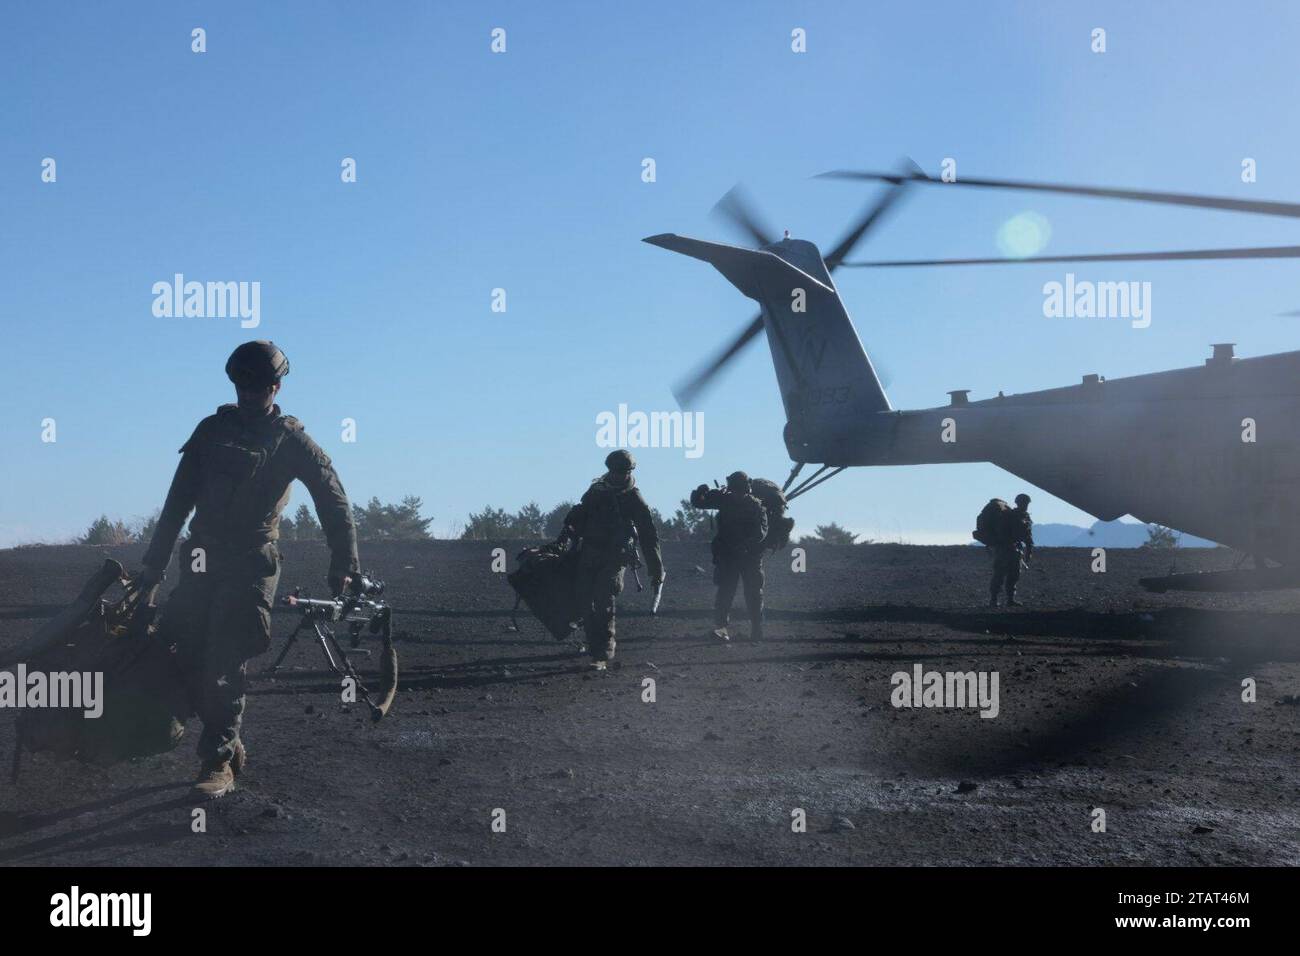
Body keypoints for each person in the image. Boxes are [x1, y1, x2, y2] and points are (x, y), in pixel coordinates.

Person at [132, 341, 360, 798]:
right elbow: (177, 503)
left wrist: (345, 562)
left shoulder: (292, 440)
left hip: (253, 563)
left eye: (257, 386)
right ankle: (229, 738)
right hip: (200, 559)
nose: (250, 394)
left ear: (276, 387)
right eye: (243, 386)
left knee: (223, 660)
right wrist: (152, 568)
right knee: (180, 649)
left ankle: (216, 762)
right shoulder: (210, 431)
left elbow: (332, 500)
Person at [563, 450, 664, 670]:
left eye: (624, 471)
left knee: (604, 598)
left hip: (615, 556)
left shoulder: (634, 498)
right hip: (589, 552)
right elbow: (582, 514)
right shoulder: (596, 490)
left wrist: (656, 569)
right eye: (617, 471)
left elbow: (648, 535)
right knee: (584, 599)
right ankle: (594, 646)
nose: (620, 475)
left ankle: (602, 653)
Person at [690, 471, 768, 641]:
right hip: (730, 555)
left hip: (748, 556)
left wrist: (745, 545)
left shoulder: (755, 506)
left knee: (753, 593)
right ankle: (722, 629)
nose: (738, 494)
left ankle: (756, 628)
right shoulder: (725, 499)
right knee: (726, 592)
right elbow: (698, 503)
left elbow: (761, 532)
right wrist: (700, 492)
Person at [990, 493, 1034, 607]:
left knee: (1014, 575)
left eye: (1026, 503)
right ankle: (993, 599)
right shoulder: (1008, 515)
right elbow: (1001, 532)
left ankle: (1010, 599)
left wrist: (1029, 551)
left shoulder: (1025, 517)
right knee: (999, 574)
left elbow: (1028, 536)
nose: (1025, 505)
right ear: (1018, 502)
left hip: (1015, 550)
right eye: (1023, 502)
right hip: (1004, 549)